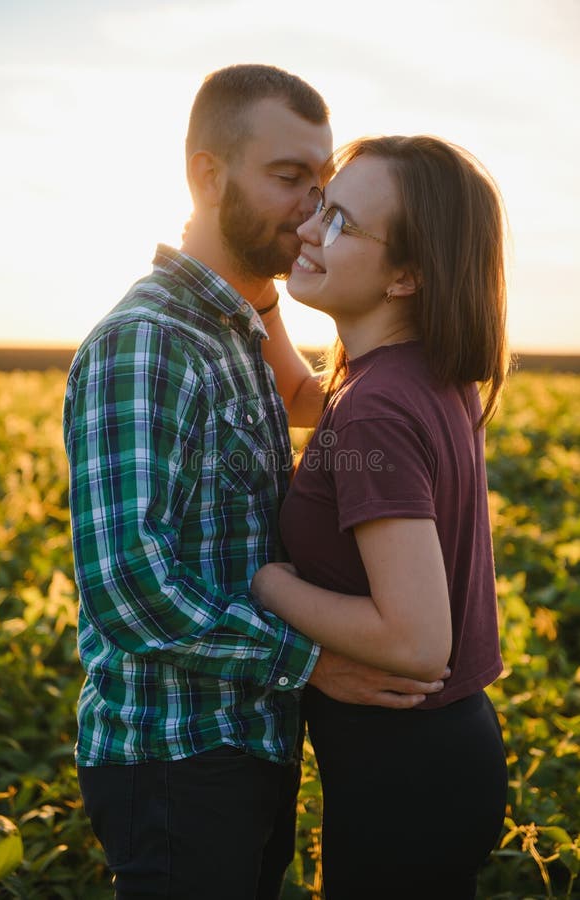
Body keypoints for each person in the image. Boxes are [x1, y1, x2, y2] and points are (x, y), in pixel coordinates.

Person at [63, 67, 445, 900]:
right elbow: (129, 592)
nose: (310, 209)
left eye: (321, 184)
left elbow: (324, 405)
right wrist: (312, 662)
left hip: (246, 741)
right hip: (174, 756)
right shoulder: (148, 341)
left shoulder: (238, 328)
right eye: (287, 179)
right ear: (206, 174)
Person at [252, 135, 510, 899]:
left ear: (406, 275)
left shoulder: (375, 409)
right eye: (318, 209)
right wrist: (263, 299)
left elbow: (415, 640)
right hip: (436, 758)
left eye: (339, 223)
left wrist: (268, 583)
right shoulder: (410, 373)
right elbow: (311, 397)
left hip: (406, 773)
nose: (306, 229)